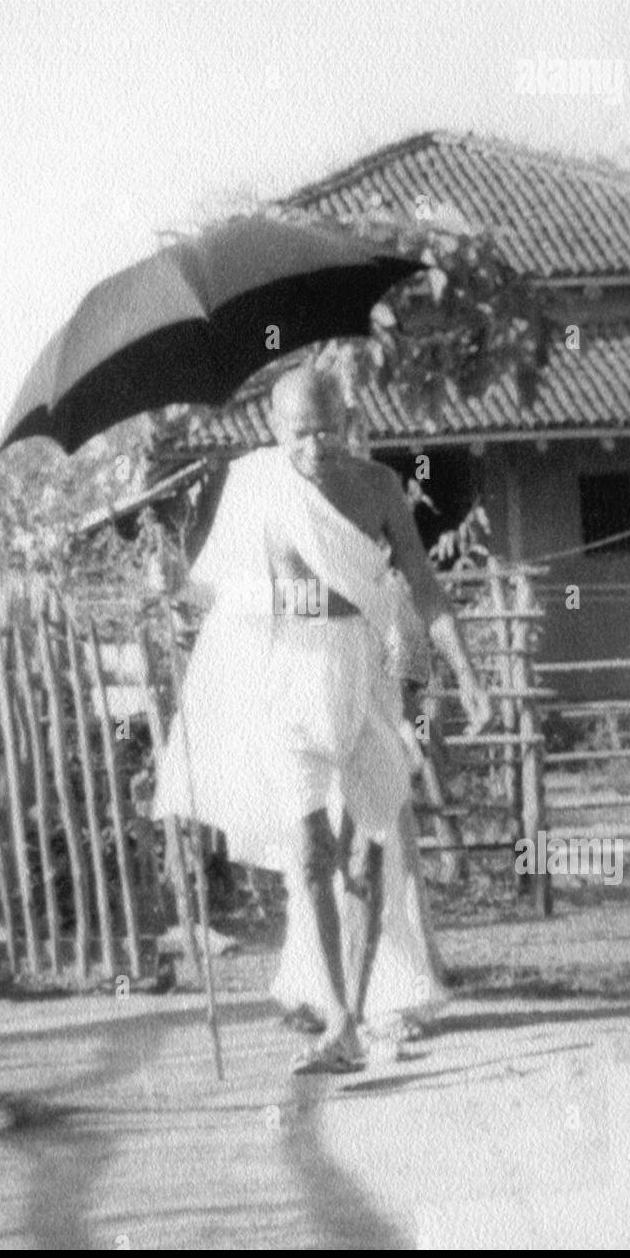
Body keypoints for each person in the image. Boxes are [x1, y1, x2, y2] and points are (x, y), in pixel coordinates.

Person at [155, 361, 490, 1072]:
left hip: (362, 675)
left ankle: (360, 1011)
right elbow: (215, 592)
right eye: (302, 434)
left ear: (347, 422)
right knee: (311, 853)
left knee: (371, 847)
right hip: (289, 677)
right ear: (276, 429)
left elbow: (422, 584)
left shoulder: (378, 487)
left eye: (330, 432)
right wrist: (164, 562)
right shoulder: (255, 485)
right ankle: (336, 1018)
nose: (316, 448)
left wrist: (465, 672)